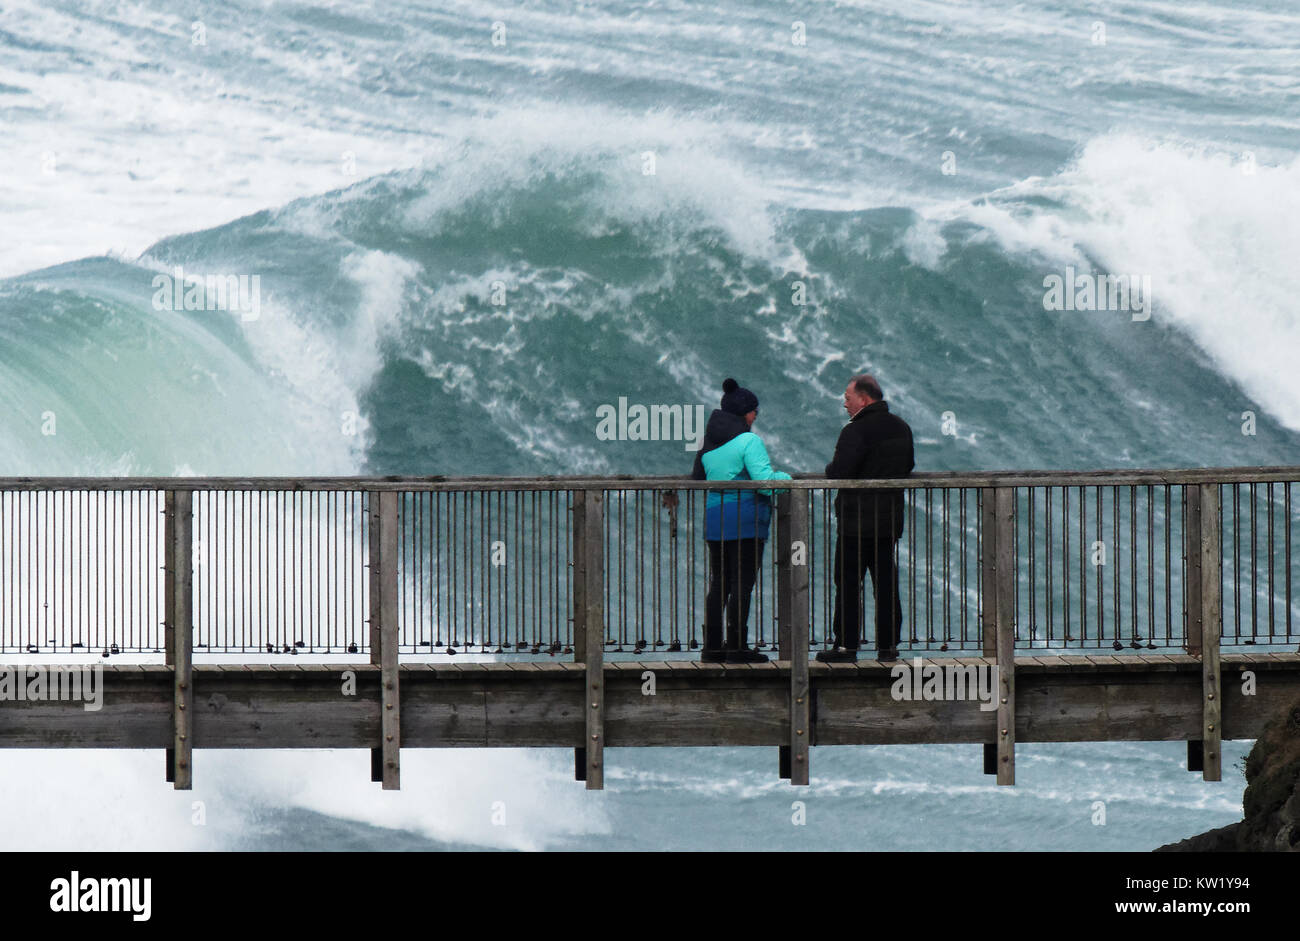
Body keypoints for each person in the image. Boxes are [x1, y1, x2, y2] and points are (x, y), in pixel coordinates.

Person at [691, 378, 792, 663]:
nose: (756, 415)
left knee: (719, 583)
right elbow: (764, 483)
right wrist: (787, 480)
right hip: (746, 521)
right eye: (753, 411)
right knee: (742, 584)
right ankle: (736, 646)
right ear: (744, 412)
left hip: (715, 519)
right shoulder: (749, 440)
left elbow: (698, 476)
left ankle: (712, 647)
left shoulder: (708, 441)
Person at [820, 374, 914, 663]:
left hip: (855, 523)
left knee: (848, 583)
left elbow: (840, 471)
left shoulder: (855, 430)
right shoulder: (901, 427)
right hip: (887, 522)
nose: (845, 404)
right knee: (885, 584)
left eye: (848, 398)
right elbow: (908, 465)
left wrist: (828, 468)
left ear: (864, 399)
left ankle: (847, 646)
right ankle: (888, 647)